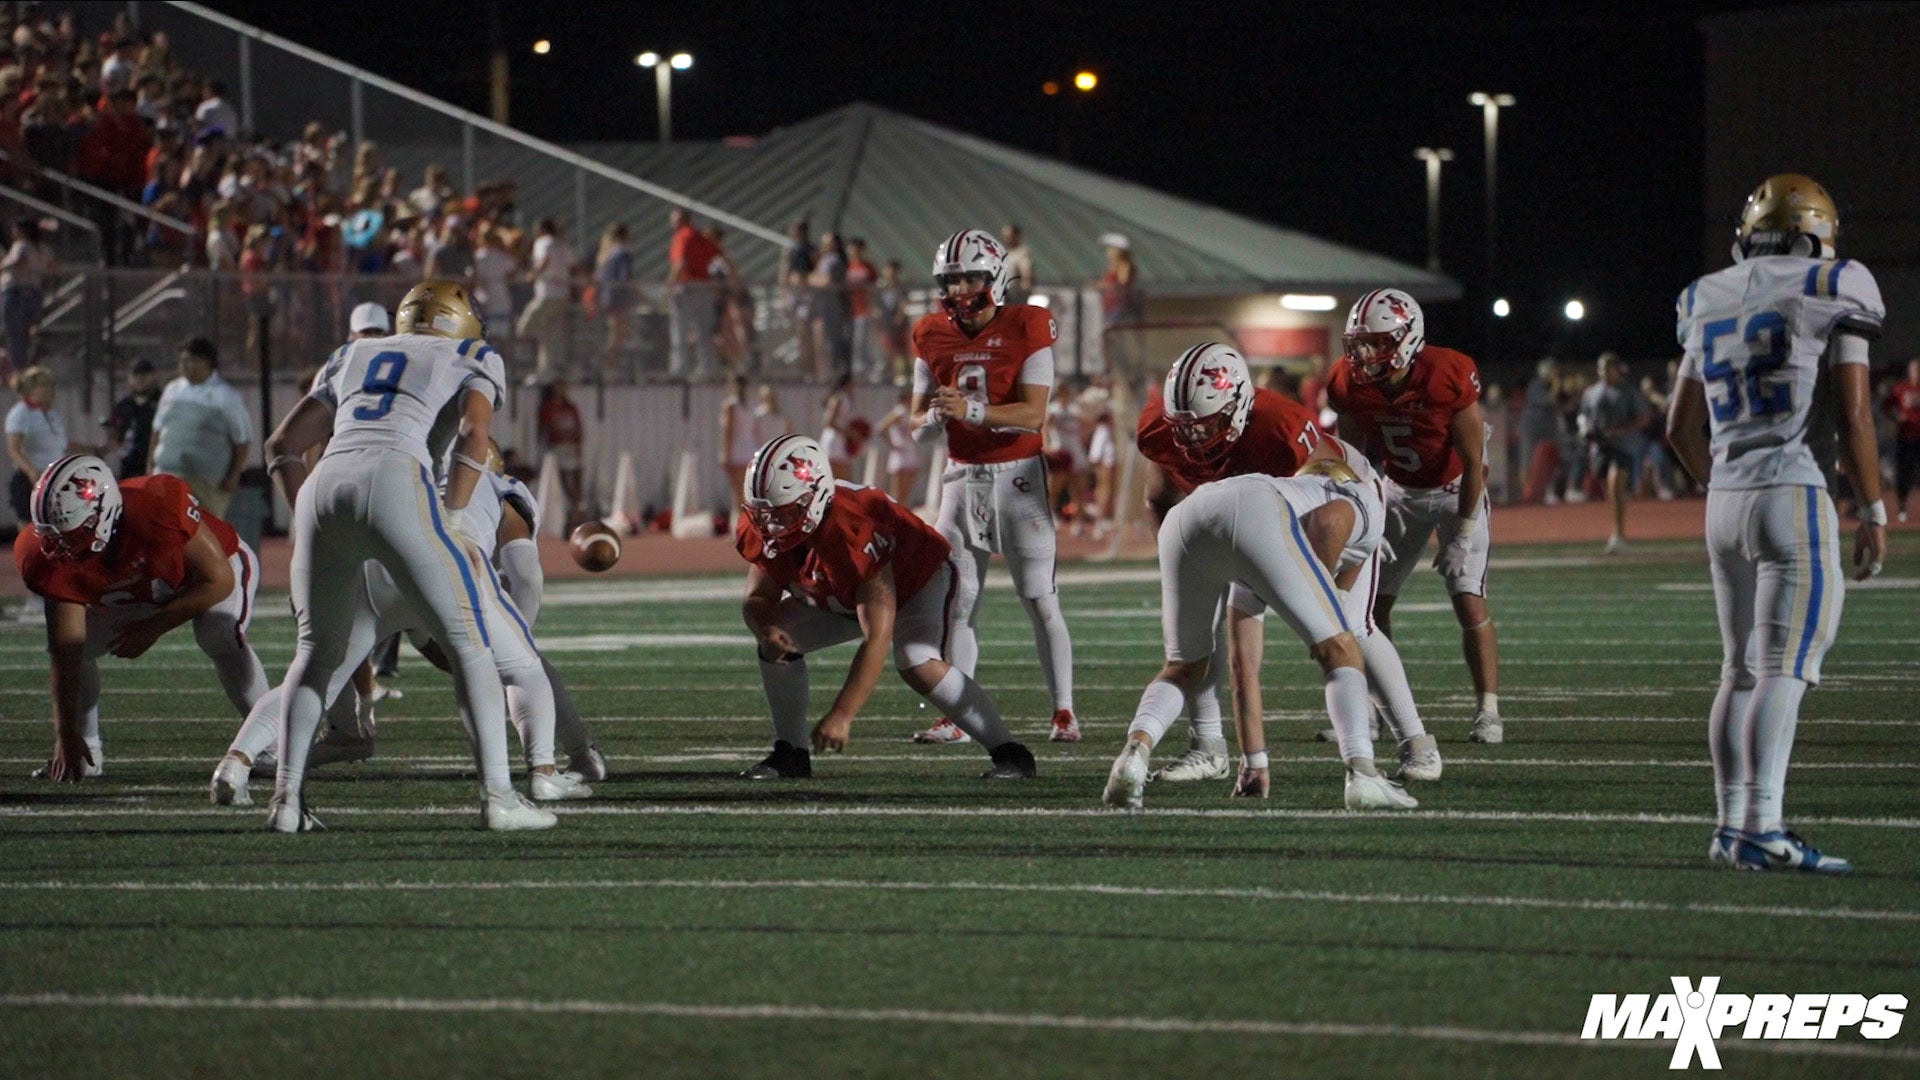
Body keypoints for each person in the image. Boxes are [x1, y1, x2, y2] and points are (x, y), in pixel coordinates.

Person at [255, 279, 554, 833]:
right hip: (396, 479)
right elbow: (473, 433)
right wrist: (456, 520)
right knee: (470, 644)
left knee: (315, 656)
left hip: (324, 486)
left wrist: (308, 520)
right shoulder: (472, 353)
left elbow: (280, 447)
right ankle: (499, 798)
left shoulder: (351, 352)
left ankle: (286, 803)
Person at [1666, 173, 1887, 873]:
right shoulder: (1836, 282)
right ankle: (1761, 827)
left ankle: (1731, 827)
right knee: (1783, 670)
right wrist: (1875, 508)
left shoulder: (1706, 294)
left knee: (1737, 672)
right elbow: (1854, 414)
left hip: (1724, 502)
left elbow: (1678, 426)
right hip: (1794, 493)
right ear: (1812, 231)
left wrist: (1722, 480)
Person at [213, 444, 601, 805]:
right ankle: (549, 770)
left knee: (317, 676)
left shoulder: (407, 472)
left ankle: (237, 761)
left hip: (372, 570)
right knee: (525, 667)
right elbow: (526, 575)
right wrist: (521, 634)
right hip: (449, 566)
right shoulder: (502, 485)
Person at [1136, 343, 1440, 783]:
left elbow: (1332, 504)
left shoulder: (1279, 426)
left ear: (1239, 405)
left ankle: (1416, 742)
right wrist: (1182, 565)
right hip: (1243, 519)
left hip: (1328, 504)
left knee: (1350, 625)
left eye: (1206, 426)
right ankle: (1208, 747)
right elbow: (1157, 497)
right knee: (1199, 637)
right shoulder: (1160, 430)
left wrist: (1359, 546)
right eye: (1185, 428)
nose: (1194, 439)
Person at [1103, 438, 1416, 812]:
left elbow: (1242, 665)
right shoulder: (1359, 499)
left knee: (1184, 667)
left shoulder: (1291, 507)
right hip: (1254, 514)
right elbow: (1331, 523)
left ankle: (1133, 755)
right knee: (1340, 648)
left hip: (1188, 516)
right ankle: (1364, 775)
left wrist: (1255, 761)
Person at [735, 434, 1037, 780]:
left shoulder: (852, 527)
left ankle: (1010, 752)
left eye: (785, 512)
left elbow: (876, 636)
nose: (772, 525)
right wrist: (766, 630)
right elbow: (758, 598)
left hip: (916, 581)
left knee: (916, 661)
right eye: (765, 514)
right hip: (843, 590)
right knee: (777, 641)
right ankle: (790, 753)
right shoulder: (771, 528)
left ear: (816, 496)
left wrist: (843, 714)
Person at [909, 228, 1078, 744]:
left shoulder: (1027, 324)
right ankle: (958, 716)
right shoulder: (929, 334)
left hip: (1018, 477)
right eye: (952, 278)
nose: (961, 288)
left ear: (996, 276)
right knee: (958, 602)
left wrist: (973, 410)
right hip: (961, 479)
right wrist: (932, 420)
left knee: (1039, 597)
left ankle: (1064, 712)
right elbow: (916, 420)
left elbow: (1033, 414)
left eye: (971, 276)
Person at [17, 457, 267, 781]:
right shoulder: (44, 553)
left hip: (214, 568)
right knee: (82, 649)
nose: (58, 547)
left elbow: (217, 581)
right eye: (52, 535)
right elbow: (67, 649)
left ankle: (272, 745)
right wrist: (65, 735)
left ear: (103, 513)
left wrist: (153, 627)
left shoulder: (156, 507)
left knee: (218, 632)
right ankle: (88, 750)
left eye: (69, 533)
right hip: (141, 589)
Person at [1328, 288, 1505, 744]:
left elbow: (1473, 462)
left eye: (1378, 342)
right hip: (1398, 493)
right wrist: (1365, 513)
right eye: (1360, 343)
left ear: (1408, 339)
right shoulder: (1351, 383)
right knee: (1369, 606)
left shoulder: (1446, 373)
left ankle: (1488, 710)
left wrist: (1463, 533)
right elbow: (1351, 462)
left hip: (1453, 490)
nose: (1365, 353)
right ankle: (1371, 710)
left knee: (1467, 598)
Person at [148, 337, 252, 519]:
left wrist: (233, 476)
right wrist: (151, 463)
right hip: (165, 475)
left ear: (207, 362)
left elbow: (242, 440)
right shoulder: (172, 390)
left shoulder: (226, 396)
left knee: (204, 532)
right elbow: (157, 429)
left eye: (190, 360)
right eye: (182, 361)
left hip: (206, 484)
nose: (184, 365)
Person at [1579, 352, 1657, 553]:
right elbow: (1583, 416)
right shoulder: (1591, 392)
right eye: (1601, 368)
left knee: (1616, 485)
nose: (1604, 372)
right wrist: (1586, 430)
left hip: (1623, 446)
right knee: (1611, 492)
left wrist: (1622, 431)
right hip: (1600, 448)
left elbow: (1643, 417)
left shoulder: (1628, 391)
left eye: (1608, 367)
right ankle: (1617, 530)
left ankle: (1619, 534)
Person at [8, 367, 75, 531]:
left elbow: (61, 445)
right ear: (32, 389)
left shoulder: (53, 414)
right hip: (31, 479)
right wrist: (32, 472)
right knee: (30, 532)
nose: (51, 391)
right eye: (45, 386)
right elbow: (15, 449)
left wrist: (95, 450)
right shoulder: (21, 413)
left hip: (54, 478)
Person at [665, 208, 721, 379]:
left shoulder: (682, 236)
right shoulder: (702, 237)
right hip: (704, 288)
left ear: (681, 220)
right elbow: (722, 255)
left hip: (686, 288)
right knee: (703, 332)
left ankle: (679, 370)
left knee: (679, 331)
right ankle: (707, 370)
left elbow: (680, 263)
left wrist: (669, 285)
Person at [516, 219, 573, 383]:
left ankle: (525, 366)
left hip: (546, 295)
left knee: (523, 329)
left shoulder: (543, 242)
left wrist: (532, 275)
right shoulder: (562, 246)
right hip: (562, 296)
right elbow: (574, 266)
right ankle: (546, 372)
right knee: (549, 336)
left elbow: (544, 260)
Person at [1, 219, 55, 377]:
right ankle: (27, 366)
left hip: (16, 292)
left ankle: (19, 372)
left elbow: (18, 261)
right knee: (24, 334)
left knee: (14, 335)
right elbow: (53, 266)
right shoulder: (44, 248)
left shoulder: (21, 245)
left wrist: (4, 267)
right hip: (34, 292)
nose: (13, 233)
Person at [101, 359, 162, 480]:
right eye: (135, 375)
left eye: (144, 375)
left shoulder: (163, 402)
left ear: (154, 376)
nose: (139, 379)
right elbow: (115, 436)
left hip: (156, 467)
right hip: (129, 468)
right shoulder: (124, 405)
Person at [536, 379, 584, 520]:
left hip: (571, 446)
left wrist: (578, 446)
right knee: (563, 479)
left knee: (575, 478)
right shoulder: (548, 408)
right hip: (557, 447)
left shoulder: (570, 407)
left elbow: (578, 428)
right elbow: (545, 428)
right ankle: (570, 510)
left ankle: (578, 507)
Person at [718, 373, 760, 526]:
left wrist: (724, 453)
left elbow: (728, 431)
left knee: (737, 494)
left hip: (737, 452)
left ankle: (742, 527)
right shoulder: (752, 405)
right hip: (750, 451)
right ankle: (747, 525)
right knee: (747, 492)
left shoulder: (731, 405)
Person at [594, 222, 636, 374]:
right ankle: (607, 366)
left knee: (622, 332)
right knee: (617, 335)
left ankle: (614, 365)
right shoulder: (623, 252)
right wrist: (638, 294)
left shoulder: (607, 253)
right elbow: (625, 277)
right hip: (618, 297)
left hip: (608, 296)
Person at [1098, 233, 1143, 372]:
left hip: (1120, 310)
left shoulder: (1124, 265)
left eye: (1111, 249)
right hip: (1110, 309)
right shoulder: (1113, 267)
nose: (1108, 252)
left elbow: (1122, 283)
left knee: (1117, 342)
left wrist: (1105, 286)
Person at [1885, 358, 1920, 522]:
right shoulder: (1900, 389)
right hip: (1906, 437)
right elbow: (1887, 407)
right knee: (1905, 472)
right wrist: (1895, 416)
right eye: (1911, 369)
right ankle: (1902, 505)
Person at [874, 384, 920, 505]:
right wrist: (893, 444)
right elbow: (881, 428)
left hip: (909, 452)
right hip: (901, 455)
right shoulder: (900, 411)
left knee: (906, 492)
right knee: (898, 492)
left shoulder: (909, 412)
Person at [845, 238, 880, 382]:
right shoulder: (847, 266)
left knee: (863, 340)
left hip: (865, 309)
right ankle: (856, 369)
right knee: (853, 341)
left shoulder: (868, 267)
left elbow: (876, 288)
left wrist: (875, 306)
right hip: (850, 311)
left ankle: (866, 369)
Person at [1000, 224, 1033, 306]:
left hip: (1015, 294)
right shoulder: (1003, 252)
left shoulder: (1022, 252)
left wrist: (1026, 282)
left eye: (1008, 236)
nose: (1006, 239)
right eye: (1004, 236)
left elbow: (1026, 270)